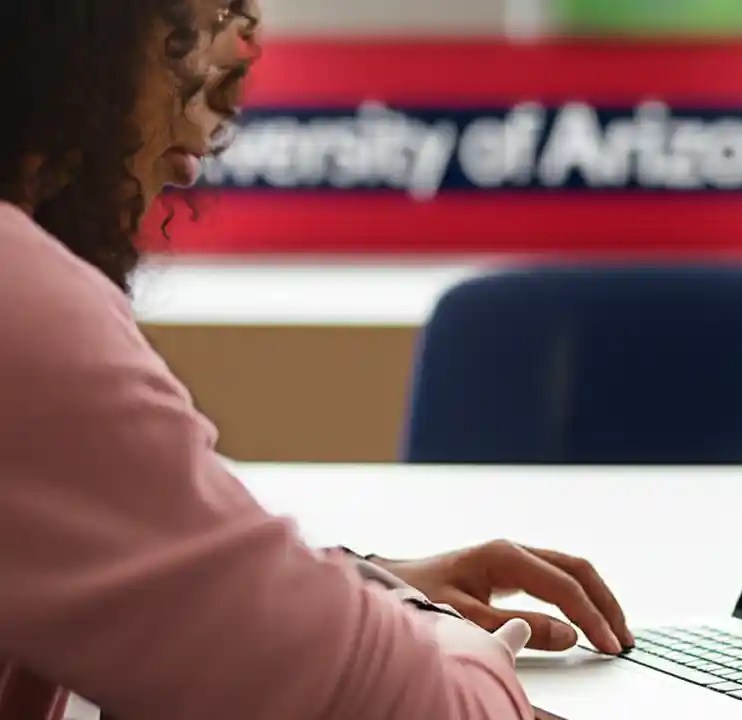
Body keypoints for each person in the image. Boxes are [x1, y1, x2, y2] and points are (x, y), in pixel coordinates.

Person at [0, 2, 633, 719]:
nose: (228, 83)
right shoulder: (21, 303)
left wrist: (337, 589)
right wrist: (427, 632)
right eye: (197, 25)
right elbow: (432, 711)